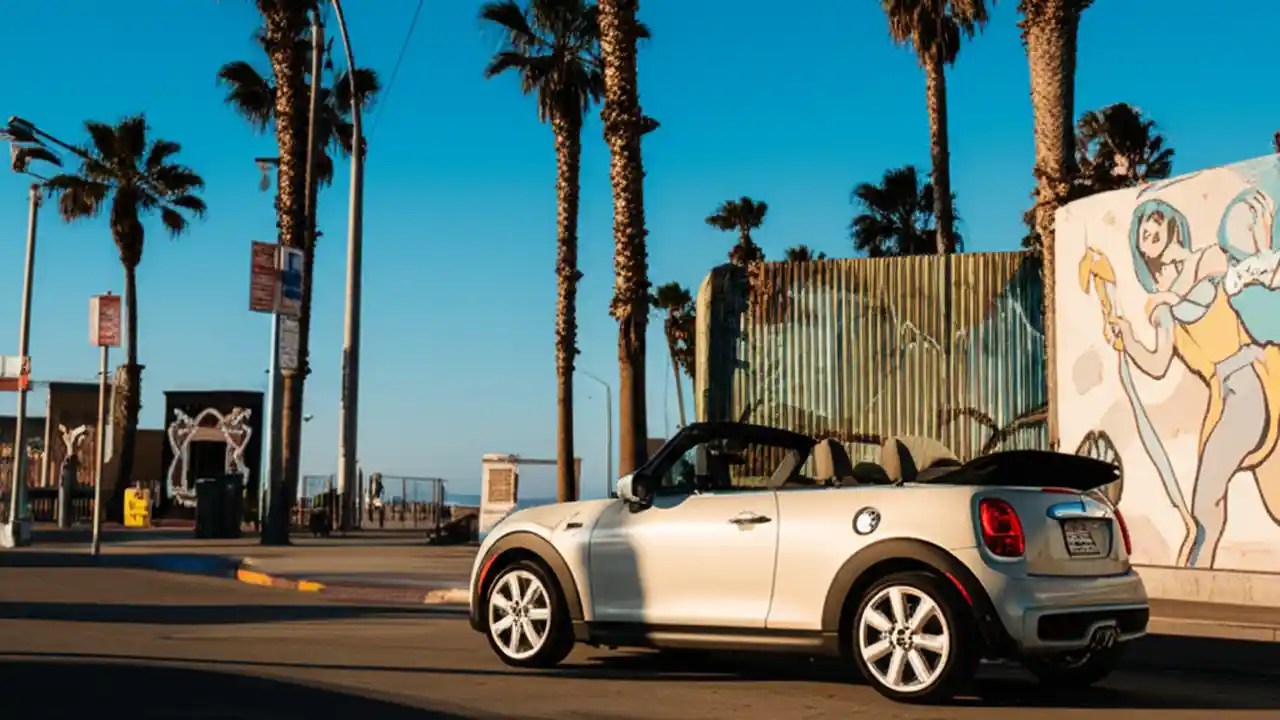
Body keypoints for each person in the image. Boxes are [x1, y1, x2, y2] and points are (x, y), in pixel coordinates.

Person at [1110, 197, 1280, 568]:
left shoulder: (1211, 260)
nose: (1150, 228)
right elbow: (1157, 363)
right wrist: (1128, 337)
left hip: (1251, 381)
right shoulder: (1160, 305)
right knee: (1242, 506)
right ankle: (1197, 582)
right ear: (1139, 247)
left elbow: (1254, 277)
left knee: (1205, 505)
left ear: (1174, 224)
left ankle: (1195, 579)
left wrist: (1264, 246)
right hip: (1225, 397)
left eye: (1156, 221)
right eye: (1142, 228)